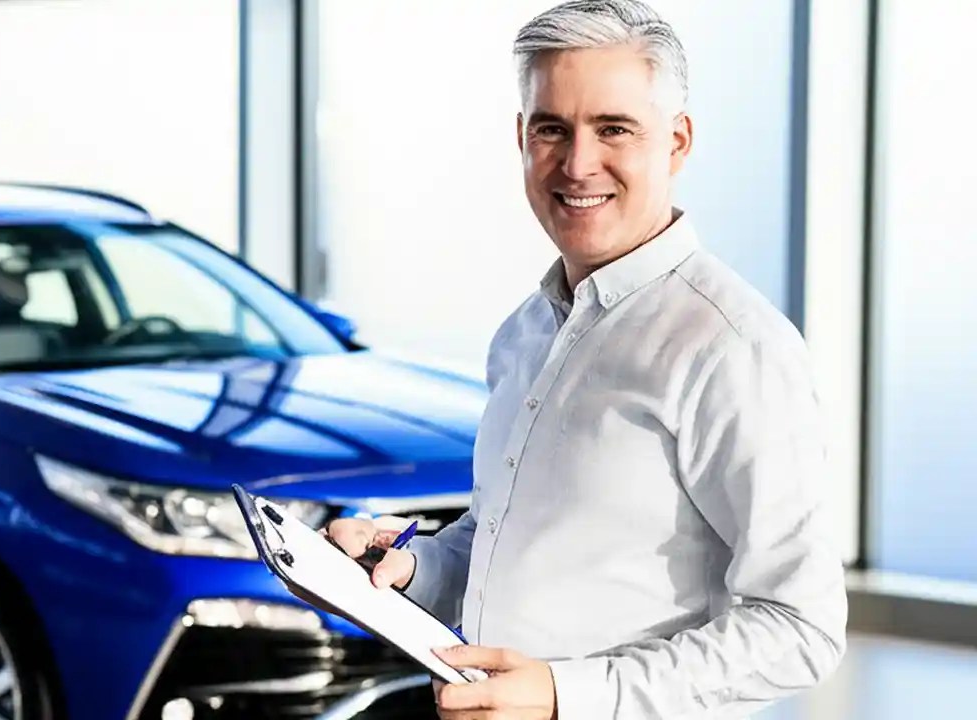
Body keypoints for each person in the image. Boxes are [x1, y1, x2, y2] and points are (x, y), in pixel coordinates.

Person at [325, 1, 848, 717]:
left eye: (613, 129)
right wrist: (411, 568)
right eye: (551, 129)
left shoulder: (734, 348)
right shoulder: (524, 333)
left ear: (677, 142)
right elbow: (506, 539)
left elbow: (800, 629)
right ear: (520, 137)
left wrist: (564, 694)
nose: (576, 163)